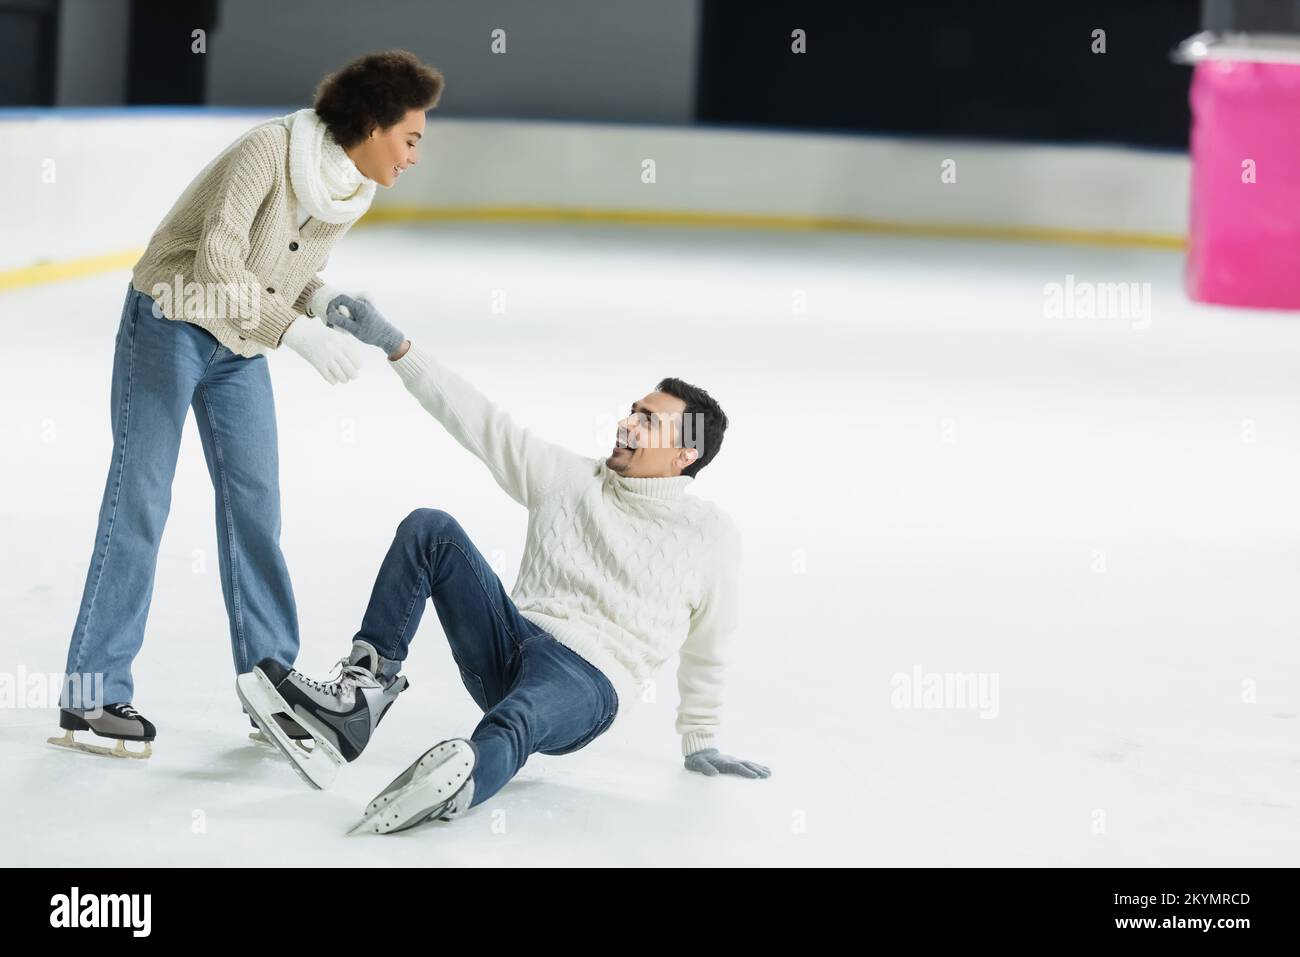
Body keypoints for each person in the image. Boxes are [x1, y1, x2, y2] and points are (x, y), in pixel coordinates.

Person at [240, 295, 771, 833]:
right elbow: (478, 420)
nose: (627, 424)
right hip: (507, 640)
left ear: (686, 455)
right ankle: (358, 701)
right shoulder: (568, 478)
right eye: (632, 410)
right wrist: (396, 345)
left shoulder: (709, 535)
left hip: (588, 680)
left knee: (512, 722)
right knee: (431, 528)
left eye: (648, 421)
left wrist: (700, 739)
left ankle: (458, 786)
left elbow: (710, 645)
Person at [51, 51, 445, 760]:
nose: (416, 153)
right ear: (373, 122)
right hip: (172, 315)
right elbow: (217, 263)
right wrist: (294, 330)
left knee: (256, 506)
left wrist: (322, 300)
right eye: (411, 136)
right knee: (139, 500)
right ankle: (90, 692)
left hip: (238, 343)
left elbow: (288, 266)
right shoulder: (269, 151)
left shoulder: (349, 187)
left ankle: (271, 683)